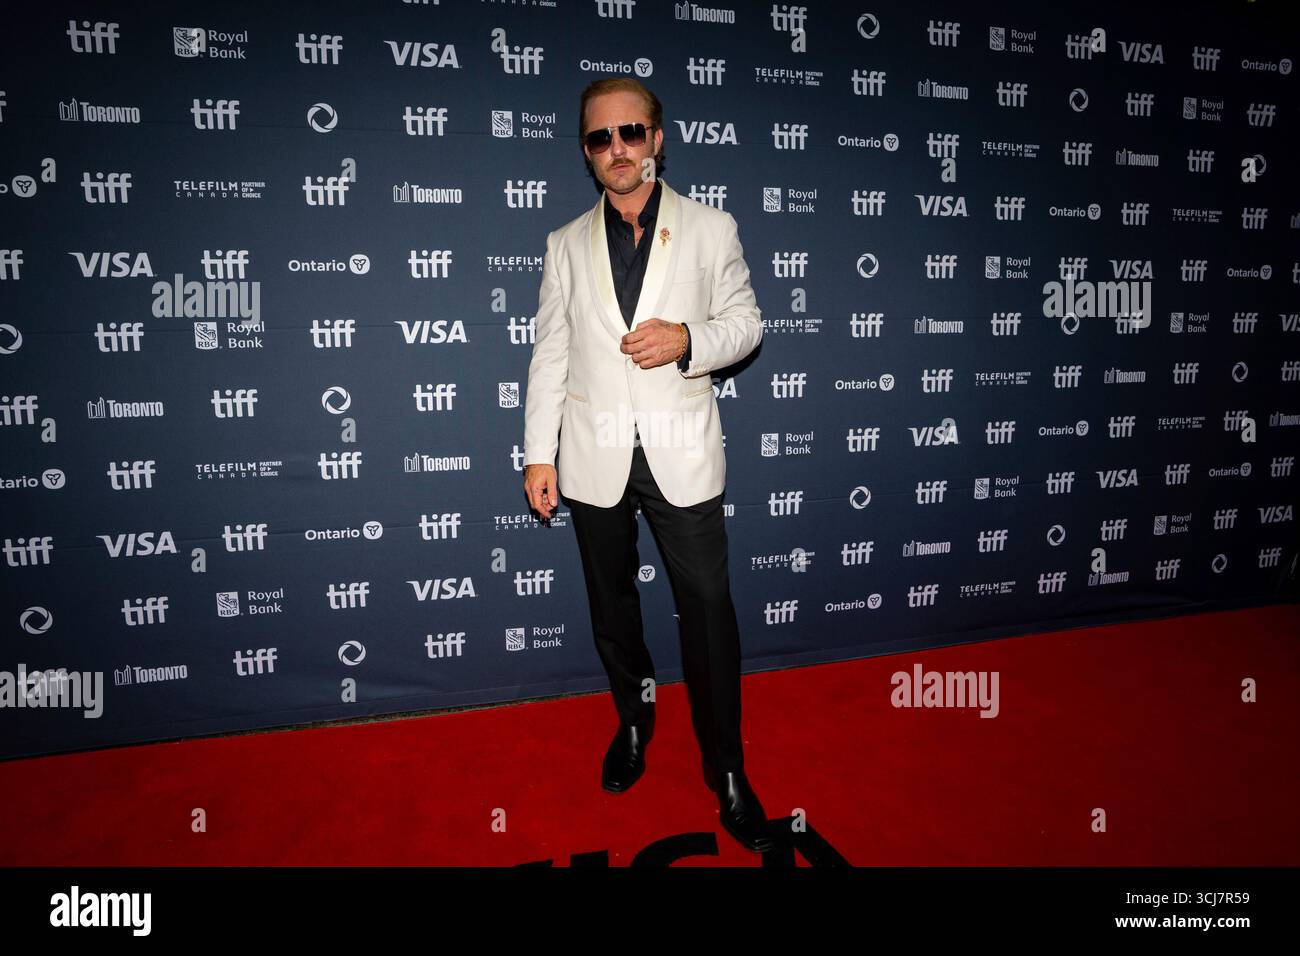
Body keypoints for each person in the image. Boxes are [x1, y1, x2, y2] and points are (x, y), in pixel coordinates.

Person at [521, 78, 770, 852]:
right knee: (613, 614)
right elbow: (550, 353)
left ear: (658, 137)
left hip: (680, 454)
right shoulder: (565, 243)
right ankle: (635, 720)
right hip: (593, 456)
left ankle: (725, 765)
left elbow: (746, 325)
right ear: (587, 152)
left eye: (631, 132)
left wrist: (690, 339)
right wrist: (538, 452)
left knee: (707, 611)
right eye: (600, 138)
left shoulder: (710, 228)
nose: (617, 149)